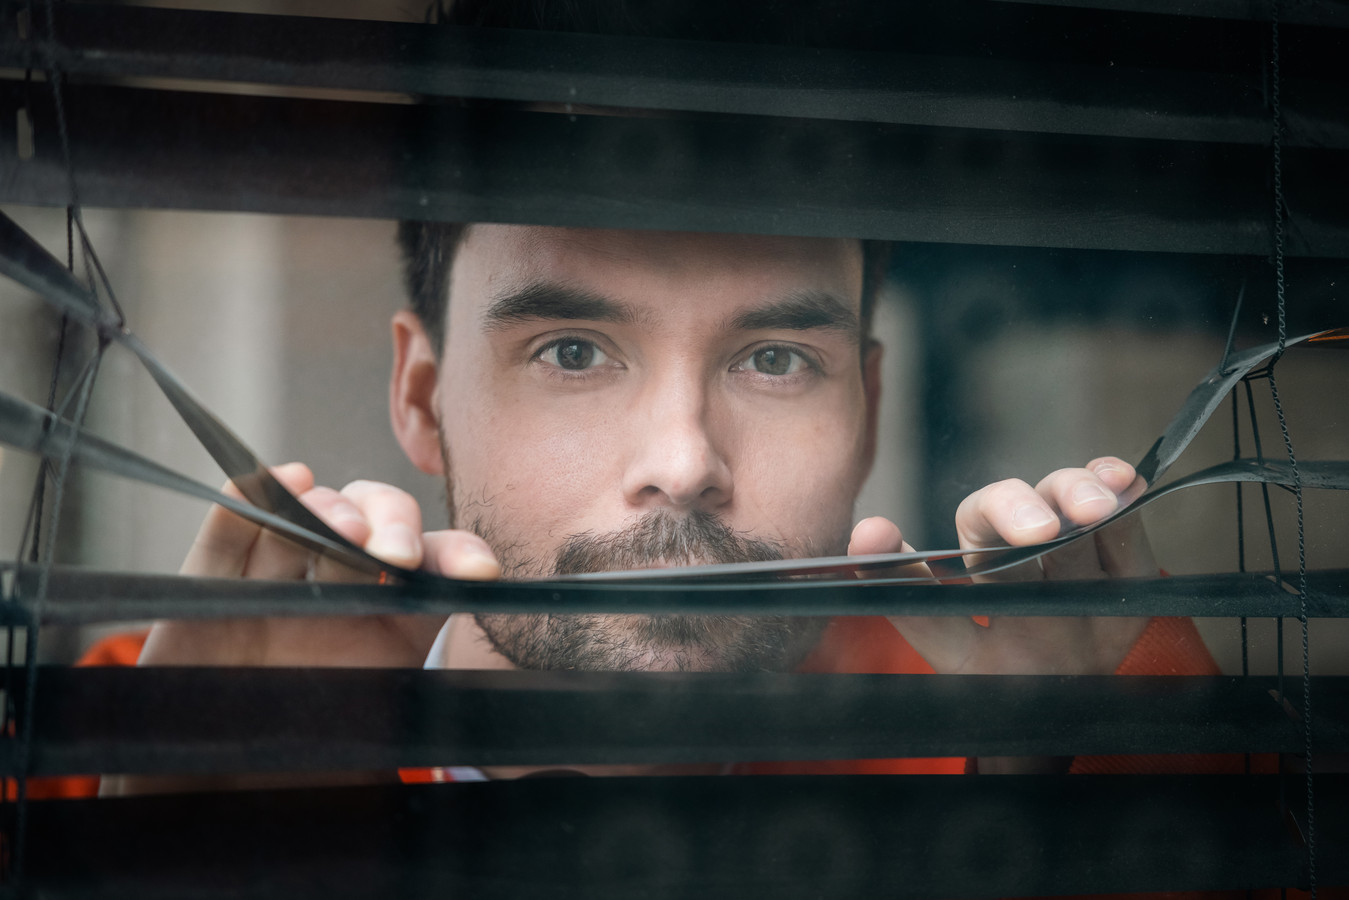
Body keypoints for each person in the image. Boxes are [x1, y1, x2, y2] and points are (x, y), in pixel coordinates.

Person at [91, 222, 1228, 794]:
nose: (683, 463)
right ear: (422, 397)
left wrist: (1037, 815)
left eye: (775, 359)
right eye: (572, 350)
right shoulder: (109, 747)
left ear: (868, 407)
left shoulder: (1084, 718)